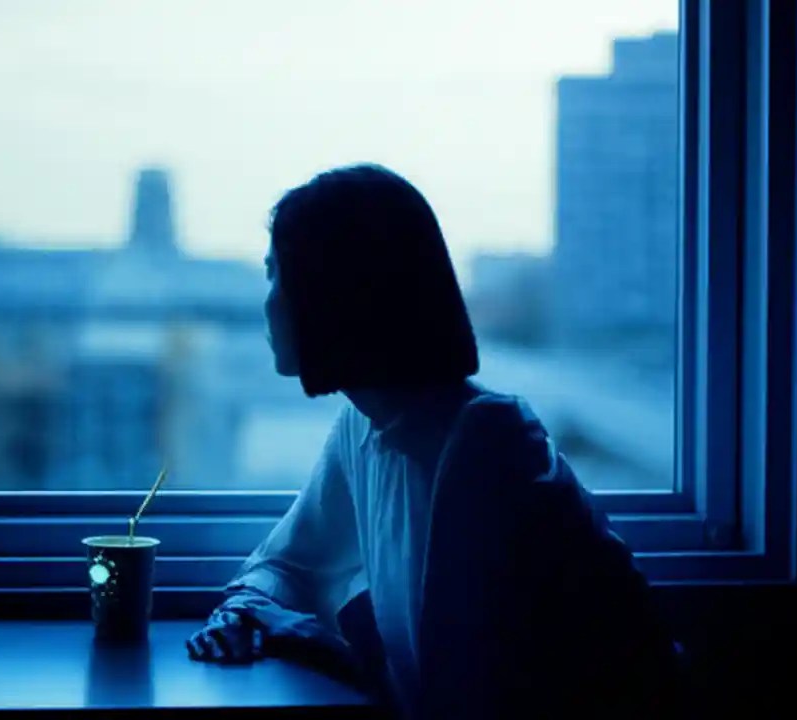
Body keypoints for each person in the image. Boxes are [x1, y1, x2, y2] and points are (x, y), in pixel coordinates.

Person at [186, 164, 683, 718]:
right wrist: (245, 611)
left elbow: (457, 698)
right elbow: (286, 565)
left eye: (278, 275)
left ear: (336, 292)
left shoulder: (486, 446)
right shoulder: (365, 427)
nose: (267, 301)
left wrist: (301, 633)